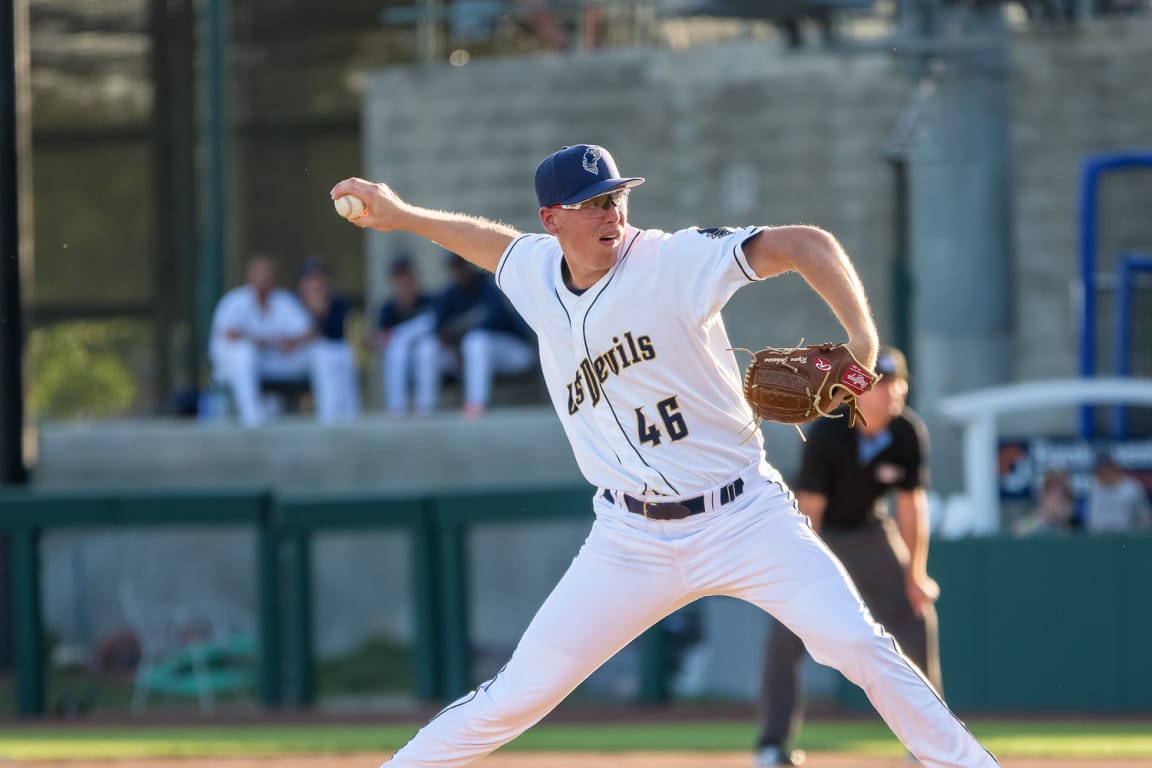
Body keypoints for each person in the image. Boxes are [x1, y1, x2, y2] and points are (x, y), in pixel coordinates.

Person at [331, 144, 997, 768]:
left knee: (860, 645)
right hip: (629, 538)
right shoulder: (537, 271)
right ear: (552, 219)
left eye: (615, 197)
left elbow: (806, 244)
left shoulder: (672, 261)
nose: (610, 214)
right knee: (517, 695)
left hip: (745, 516)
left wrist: (861, 340)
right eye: (592, 203)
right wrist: (404, 215)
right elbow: (492, 247)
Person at [754, 347, 943, 768]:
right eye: (879, 383)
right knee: (786, 632)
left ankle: (930, 744)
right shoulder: (830, 432)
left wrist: (915, 573)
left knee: (916, 619)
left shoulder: (908, 432)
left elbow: (911, 507)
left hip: (871, 532)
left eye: (897, 383)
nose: (889, 392)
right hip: (820, 536)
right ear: (858, 389)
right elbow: (810, 510)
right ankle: (771, 745)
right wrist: (801, 577)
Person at [414, 254, 538, 417]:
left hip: (514, 352)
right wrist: (453, 342)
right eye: (456, 267)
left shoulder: (488, 290)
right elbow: (438, 328)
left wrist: (457, 339)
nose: (460, 271)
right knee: (427, 346)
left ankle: (476, 405)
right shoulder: (449, 295)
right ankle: (425, 408)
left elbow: (494, 323)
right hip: (471, 354)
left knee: (476, 342)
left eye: (463, 265)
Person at [208, 255, 318, 427]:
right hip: (232, 365)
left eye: (268, 273)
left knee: (322, 353)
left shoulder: (283, 300)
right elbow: (230, 335)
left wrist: (293, 341)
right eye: (260, 273)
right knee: (244, 353)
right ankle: (252, 419)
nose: (264, 277)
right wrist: (266, 342)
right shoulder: (234, 301)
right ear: (250, 277)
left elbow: (309, 331)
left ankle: (333, 417)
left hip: (274, 361)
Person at [296, 258, 361, 423]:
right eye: (311, 279)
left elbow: (337, 335)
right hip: (294, 356)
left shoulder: (337, 303)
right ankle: (329, 419)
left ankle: (349, 417)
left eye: (319, 278)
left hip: (328, 354)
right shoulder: (290, 302)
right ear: (302, 283)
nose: (316, 284)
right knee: (322, 354)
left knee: (344, 354)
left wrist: (322, 313)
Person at [374, 255, 438, 416]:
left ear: (414, 277)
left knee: (427, 347)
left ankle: (425, 409)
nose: (404, 281)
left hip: (431, 358)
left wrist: (400, 334)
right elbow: (379, 339)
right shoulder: (388, 308)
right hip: (402, 360)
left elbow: (439, 329)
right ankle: (397, 410)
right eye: (399, 276)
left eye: (407, 275)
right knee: (396, 349)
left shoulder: (429, 301)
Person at [1084, 454, 1152, 533]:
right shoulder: (1094, 485)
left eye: (1107, 473)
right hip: (1098, 537)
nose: (1105, 477)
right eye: (1101, 474)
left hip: (1126, 537)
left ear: (1115, 471)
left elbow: (1145, 516)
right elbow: (1090, 518)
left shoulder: (1131, 487)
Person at [1013, 468, 1075, 536]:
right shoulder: (1035, 519)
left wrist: (1064, 521)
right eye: (1052, 495)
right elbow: (1018, 529)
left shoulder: (1075, 523)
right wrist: (1043, 517)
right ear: (1043, 495)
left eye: (1062, 496)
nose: (1056, 501)